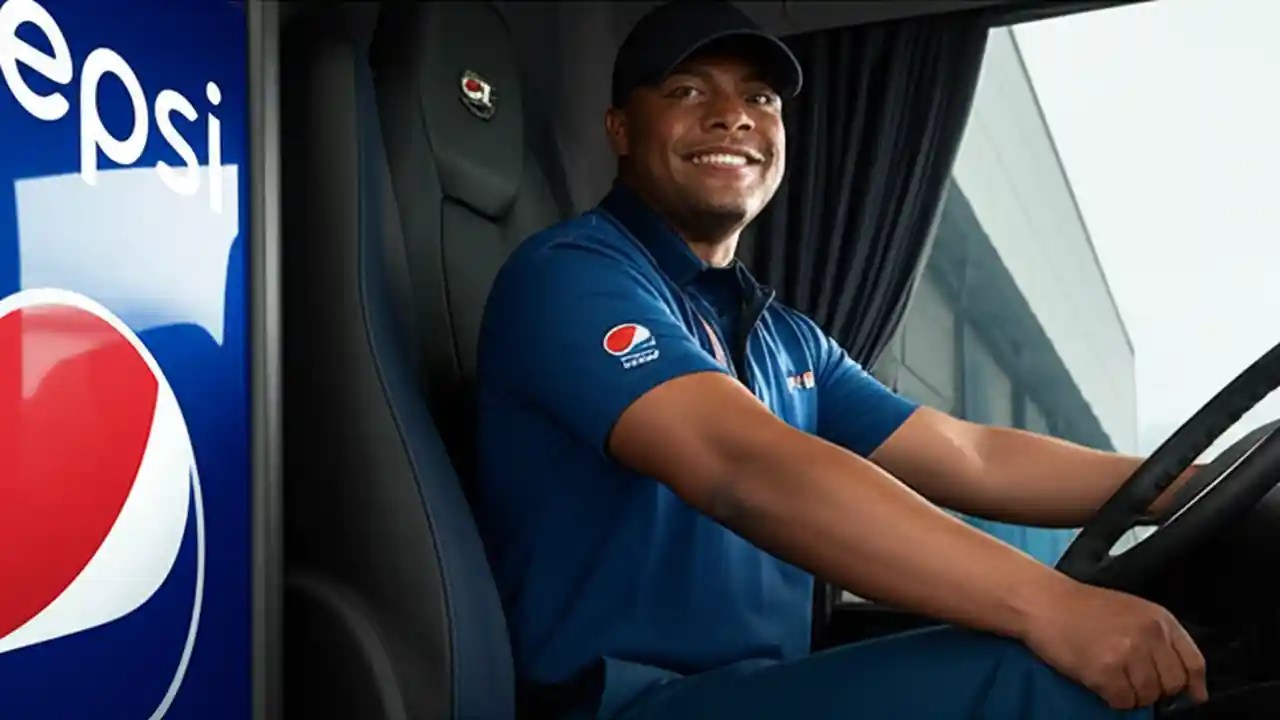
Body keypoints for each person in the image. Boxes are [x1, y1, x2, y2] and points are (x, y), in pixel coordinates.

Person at [474, 2, 1208, 718]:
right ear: (621, 128)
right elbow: (741, 466)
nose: (733, 116)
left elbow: (972, 455)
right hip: (629, 700)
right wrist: (1051, 605)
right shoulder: (572, 274)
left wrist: (1196, 485)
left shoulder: (786, 338)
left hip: (768, 686)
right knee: (1061, 681)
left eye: (758, 97)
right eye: (687, 90)